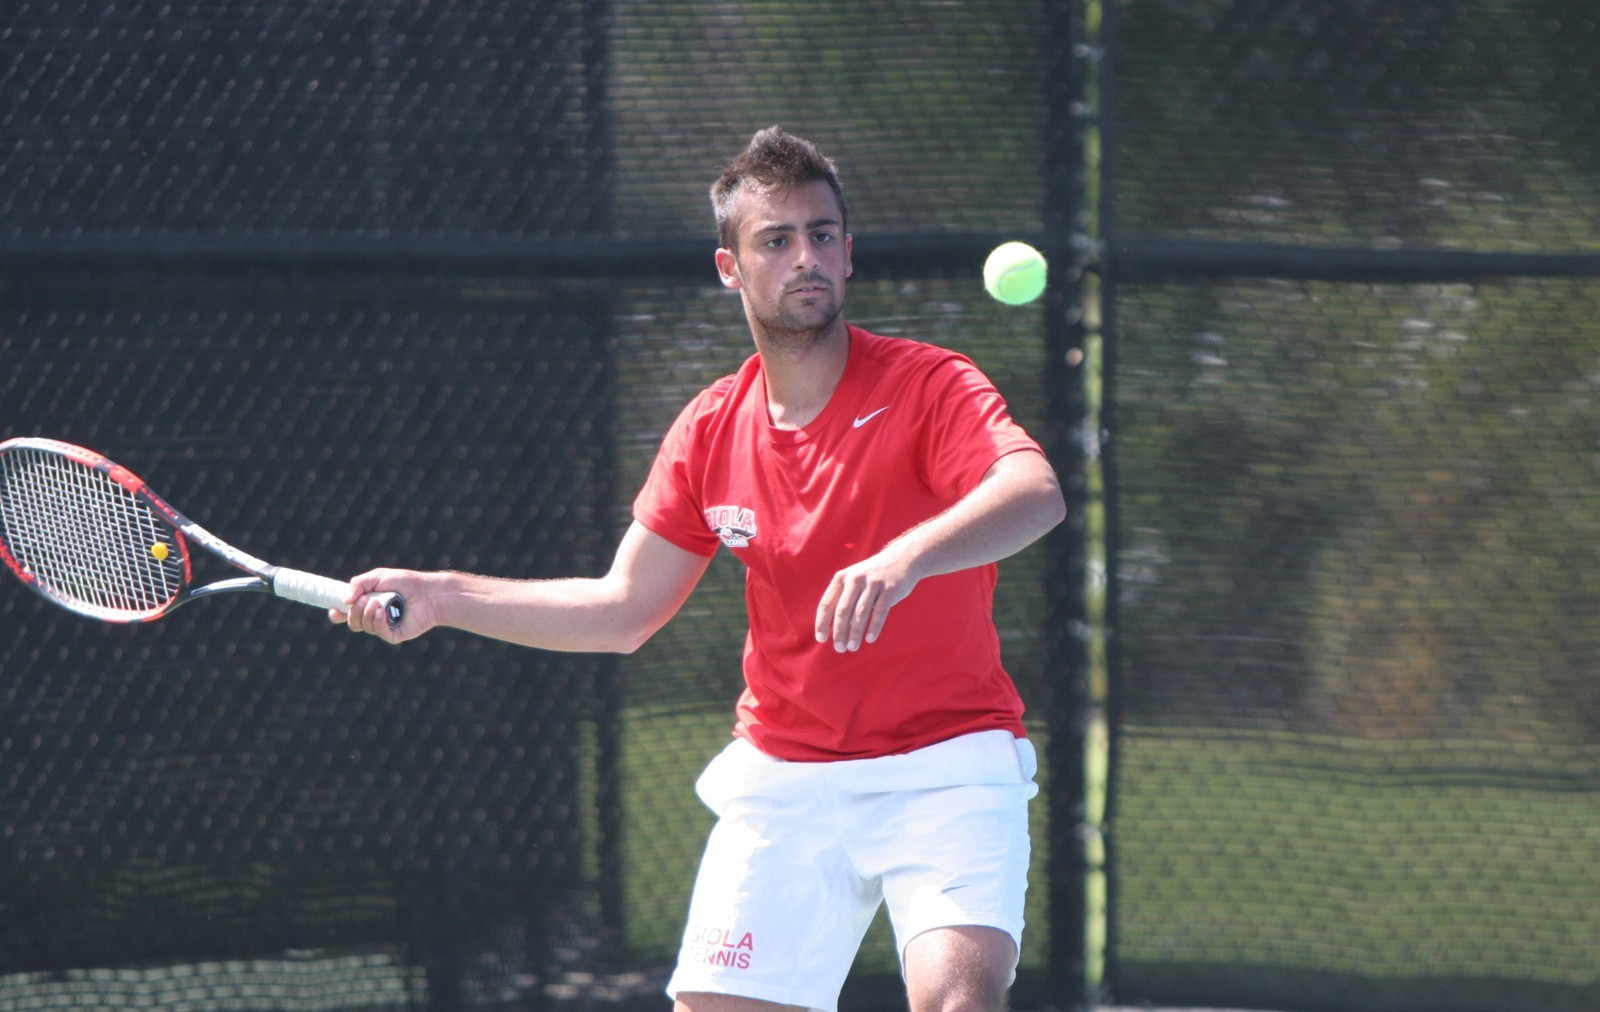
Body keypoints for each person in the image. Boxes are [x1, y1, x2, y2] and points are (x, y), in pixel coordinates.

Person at [338, 126, 1066, 1012]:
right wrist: (444, 596)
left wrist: (906, 555)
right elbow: (622, 609)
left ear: (849, 255)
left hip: (946, 763)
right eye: (777, 240)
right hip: (786, 774)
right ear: (731, 268)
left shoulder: (930, 384)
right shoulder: (711, 431)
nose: (807, 257)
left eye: (824, 235)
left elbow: (1034, 491)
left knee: (958, 1000)